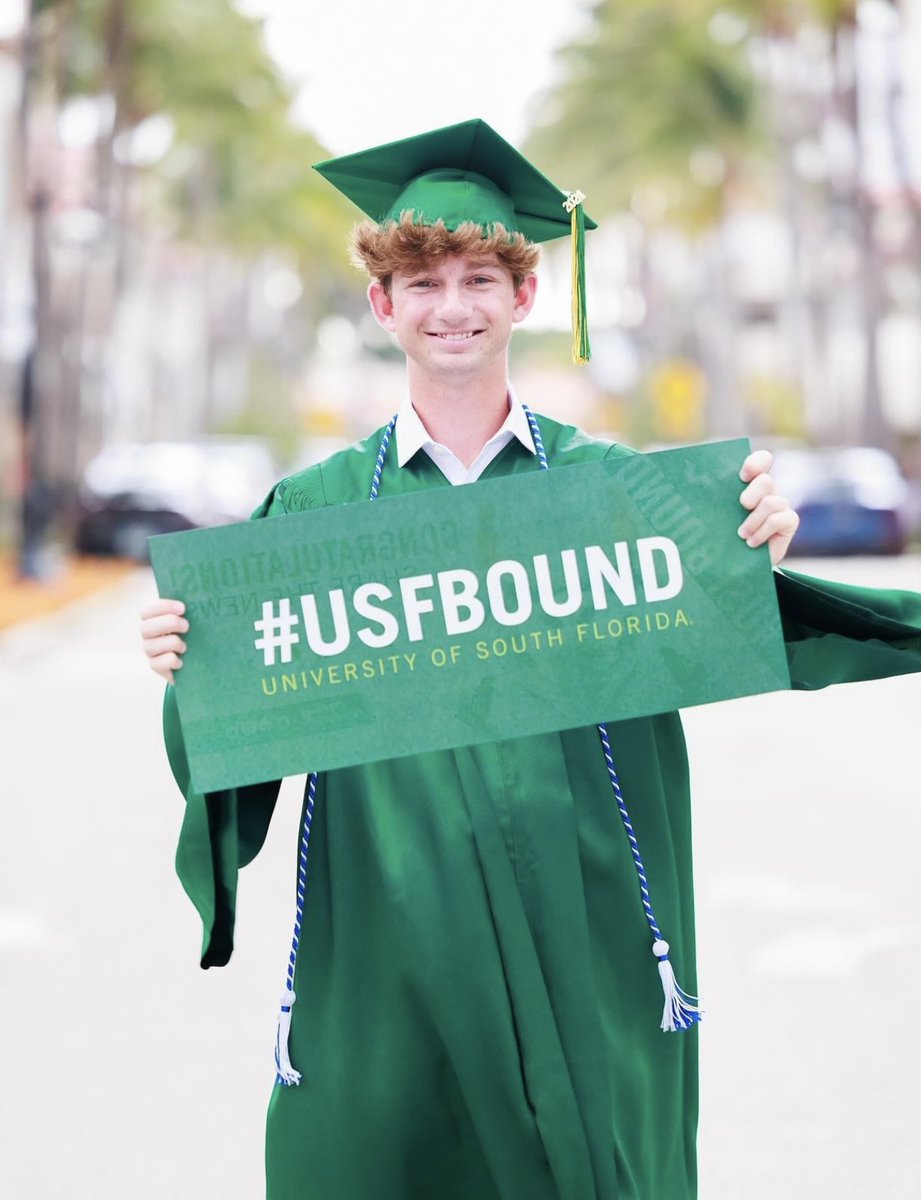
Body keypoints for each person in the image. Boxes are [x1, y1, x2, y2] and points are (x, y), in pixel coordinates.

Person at [140, 120, 921, 1200]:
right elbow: (238, 740)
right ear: (383, 306)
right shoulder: (310, 516)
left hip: (587, 910)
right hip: (391, 916)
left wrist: (753, 557)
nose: (451, 305)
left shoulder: (618, 493)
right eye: (422, 283)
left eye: (477, 278)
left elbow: (760, 626)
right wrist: (190, 669)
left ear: (524, 296)